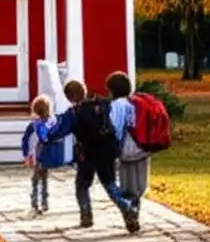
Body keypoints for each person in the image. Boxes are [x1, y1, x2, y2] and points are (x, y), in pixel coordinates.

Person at [47, 79, 139, 232]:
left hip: (87, 153)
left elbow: (59, 131)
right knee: (110, 184)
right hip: (107, 150)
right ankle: (127, 207)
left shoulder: (73, 113)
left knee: (82, 184)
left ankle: (86, 214)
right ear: (84, 90)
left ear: (69, 97)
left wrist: (48, 134)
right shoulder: (103, 104)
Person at [107, 71, 150, 218]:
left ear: (112, 90)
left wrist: (113, 148)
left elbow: (116, 128)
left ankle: (131, 210)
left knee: (128, 182)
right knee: (140, 181)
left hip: (127, 148)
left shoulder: (117, 105)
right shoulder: (136, 102)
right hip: (143, 146)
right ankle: (136, 206)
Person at [21, 94, 63, 216]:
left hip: (39, 152)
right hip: (50, 152)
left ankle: (35, 202)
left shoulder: (34, 125)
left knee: (35, 178)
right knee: (44, 176)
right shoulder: (53, 122)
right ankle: (45, 201)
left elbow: (26, 140)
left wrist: (26, 155)